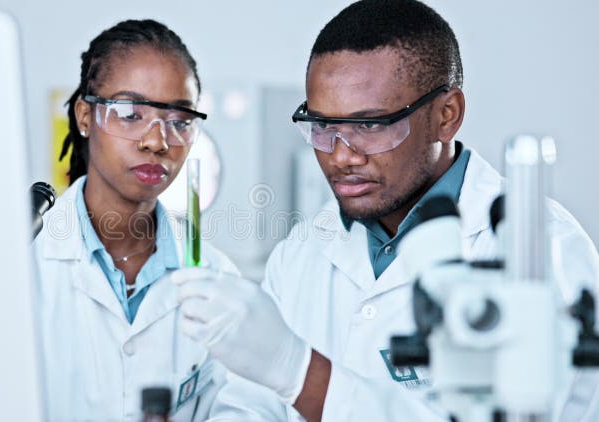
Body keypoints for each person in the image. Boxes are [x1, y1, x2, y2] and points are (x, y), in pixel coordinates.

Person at [170, 1, 599, 420]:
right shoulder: (302, 252)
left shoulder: (544, 252)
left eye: (370, 126)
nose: (341, 156)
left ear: (446, 115)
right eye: (323, 126)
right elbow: (250, 406)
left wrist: (301, 374)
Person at [31, 19, 237, 421]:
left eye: (179, 121)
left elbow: (243, 409)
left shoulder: (218, 279)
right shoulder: (26, 268)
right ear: (85, 117)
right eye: (129, 113)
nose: (157, 141)